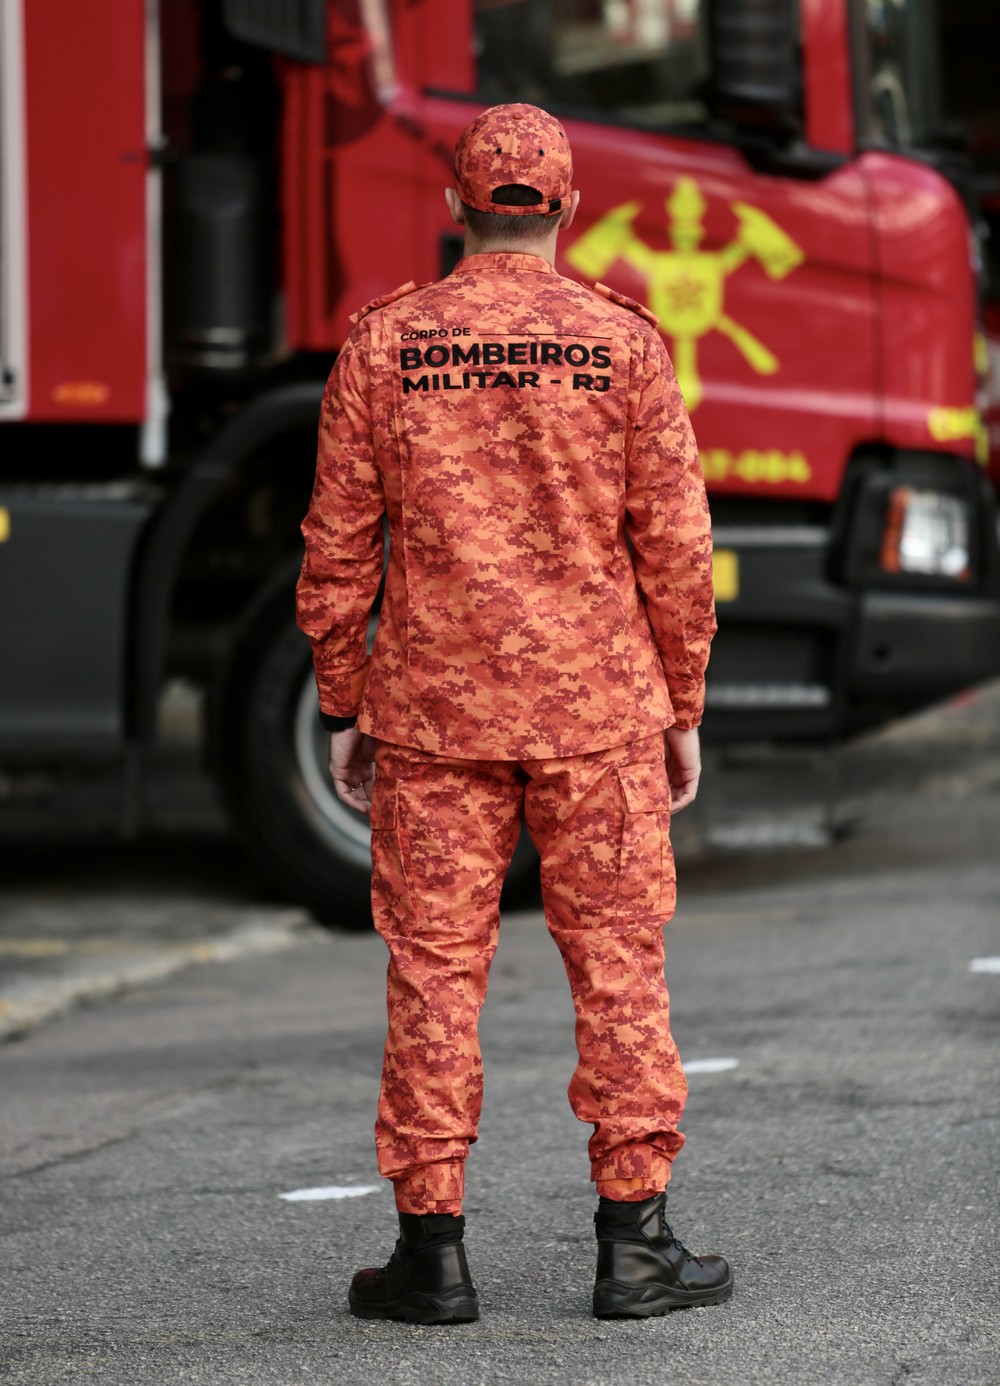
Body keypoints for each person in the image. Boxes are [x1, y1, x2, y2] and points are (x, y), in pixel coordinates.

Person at [296, 103, 731, 1323]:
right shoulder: (623, 344)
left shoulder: (384, 344)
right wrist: (682, 701)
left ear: (455, 207)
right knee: (619, 967)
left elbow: (337, 544)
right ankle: (634, 1247)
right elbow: (676, 547)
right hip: (599, 714)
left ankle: (430, 1256)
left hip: (434, 717)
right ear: (568, 209)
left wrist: (341, 699)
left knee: (434, 975)